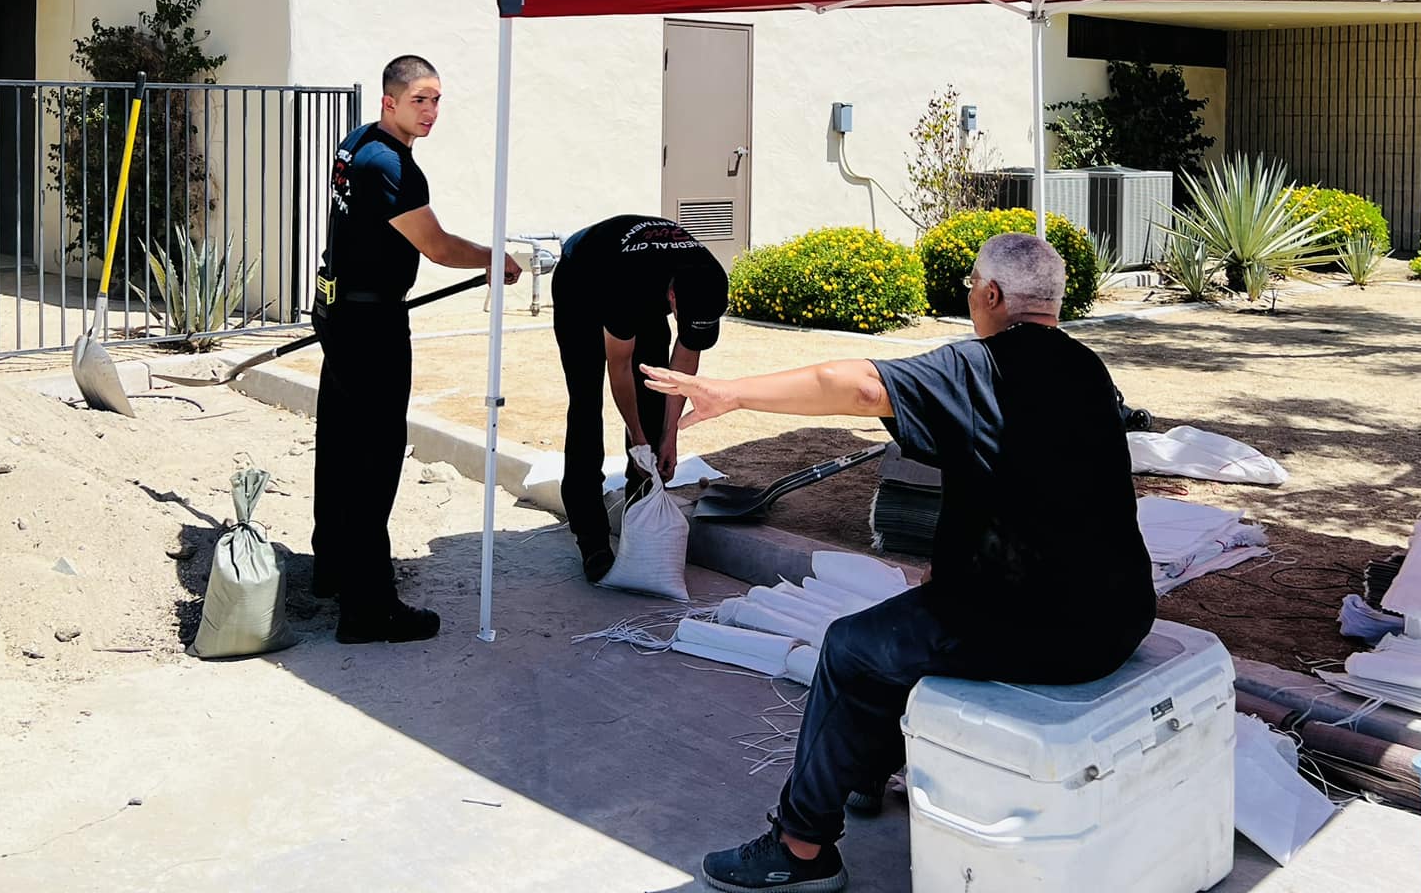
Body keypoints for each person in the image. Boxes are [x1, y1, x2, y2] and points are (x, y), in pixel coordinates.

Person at [643, 233, 1154, 893]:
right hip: (1120, 615)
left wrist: (732, 394)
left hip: (1045, 628)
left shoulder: (978, 366)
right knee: (912, 625)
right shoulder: (1088, 370)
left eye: (974, 284)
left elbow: (853, 385)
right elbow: (1021, 478)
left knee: (853, 648)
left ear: (994, 296)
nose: (971, 294)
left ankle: (801, 849)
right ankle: (866, 769)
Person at [311, 54, 520, 645]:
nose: (429, 112)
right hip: (371, 323)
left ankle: (332, 569)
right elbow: (436, 246)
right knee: (373, 460)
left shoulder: (355, 145)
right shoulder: (394, 167)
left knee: (340, 446)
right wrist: (491, 257)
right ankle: (368, 609)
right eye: (419, 100)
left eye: (436, 101)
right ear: (390, 101)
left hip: (340, 308)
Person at [551, 215, 730, 582]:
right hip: (583, 278)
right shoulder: (627, 284)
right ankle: (592, 538)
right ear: (673, 297)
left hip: (645, 282)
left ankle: (641, 523)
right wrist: (638, 437)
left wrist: (668, 435)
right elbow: (619, 368)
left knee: (652, 389)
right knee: (586, 404)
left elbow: (682, 365)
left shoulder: (711, 278)